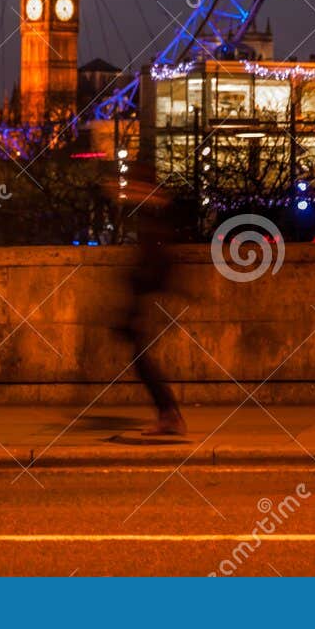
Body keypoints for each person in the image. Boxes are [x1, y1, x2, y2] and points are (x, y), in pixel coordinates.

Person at [112, 162, 190, 440]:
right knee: (141, 358)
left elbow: (155, 257)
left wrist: (141, 292)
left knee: (142, 359)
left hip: (150, 295)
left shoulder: (154, 212)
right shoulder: (155, 210)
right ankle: (169, 414)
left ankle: (170, 415)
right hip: (149, 293)